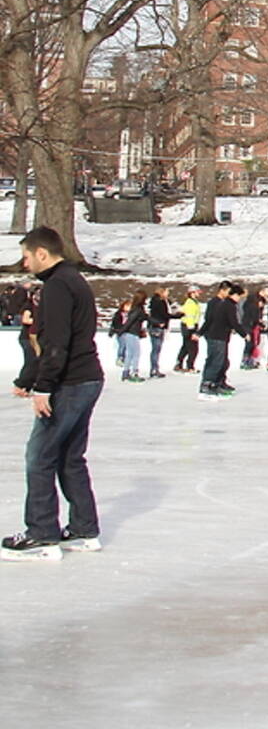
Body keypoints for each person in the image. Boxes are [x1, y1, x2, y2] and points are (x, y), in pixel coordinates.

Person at [3, 228, 106, 561]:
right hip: (86, 378)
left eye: (28, 256)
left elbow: (57, 342)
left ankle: (42, 534)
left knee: (40, 456)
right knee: (69, 458)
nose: (25, 262)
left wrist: (43, 387)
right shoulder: (73, 279)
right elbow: (53, 340)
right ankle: (83, 530)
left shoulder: (58, 287)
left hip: (70, 382)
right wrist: (28, 378)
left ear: (42, 254)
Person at [198, 282, 243, 399]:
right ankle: (208, 384)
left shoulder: (225, 303)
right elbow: (209, 320)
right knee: (215, 361)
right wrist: (201, 333)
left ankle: (219, 382)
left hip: (222, 335)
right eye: (228, 291)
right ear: (223, 290)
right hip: (215, 336)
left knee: (223, 362)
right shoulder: (215, 303)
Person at [119, 290, 148, 383]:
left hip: (130, 333)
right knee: (136, 354)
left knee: (130, 354)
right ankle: (133, 373)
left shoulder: (135, 308)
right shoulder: (138, 309)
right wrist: (122, 330)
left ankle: (126, 373)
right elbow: (130, 321)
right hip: (132, 333)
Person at [175, 286, 203, 373]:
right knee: (193, 348)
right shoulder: (190, 303)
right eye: (197, 292)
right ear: (192, 293)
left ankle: (179, 364)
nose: (199, 294)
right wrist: (191, 329)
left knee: (186, 346)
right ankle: (189, 366)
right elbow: (190, 316)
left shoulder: (194, 302)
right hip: (189, 326)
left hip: (189, 326)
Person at [147, 284, 172, 379]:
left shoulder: (155, 301)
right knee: (156, 350)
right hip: (157, 327)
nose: (168, 294)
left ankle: (154, 369)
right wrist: (178, 315)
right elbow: (165, 315)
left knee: (155, 349)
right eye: (167, 292)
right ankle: (154, 369)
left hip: (154, 326)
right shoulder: (160, 302)